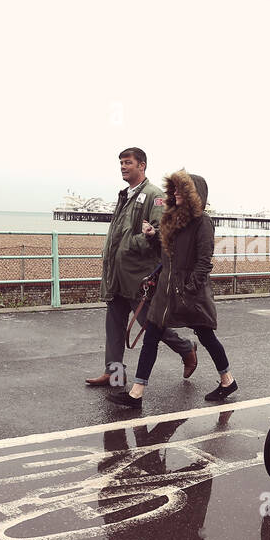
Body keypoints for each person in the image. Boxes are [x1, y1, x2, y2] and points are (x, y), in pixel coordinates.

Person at [107, 170, 238, 406]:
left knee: (207, 337)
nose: (175, 192)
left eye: (180, 189)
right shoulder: (171, 219)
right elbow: (165, 256)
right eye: (174, 188)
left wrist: (190, 288)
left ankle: (227, 380)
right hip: (166, 292)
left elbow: (204, 262)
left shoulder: (203, 222)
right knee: (151, 337)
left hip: (190, 294)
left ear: (193, 193)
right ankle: (136, 393)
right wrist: (152, 236)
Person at [86, 148, 197, 387]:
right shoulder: (125, 194)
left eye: (128, 163)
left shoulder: (154, 196)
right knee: (114, 327)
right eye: (121, 163)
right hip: (117, 275)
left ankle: (187, 348)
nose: (123, 167)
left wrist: (129, 244)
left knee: (151, 325)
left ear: (142, 166)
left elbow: (159, 235)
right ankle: (115, 375)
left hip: (138, 277)